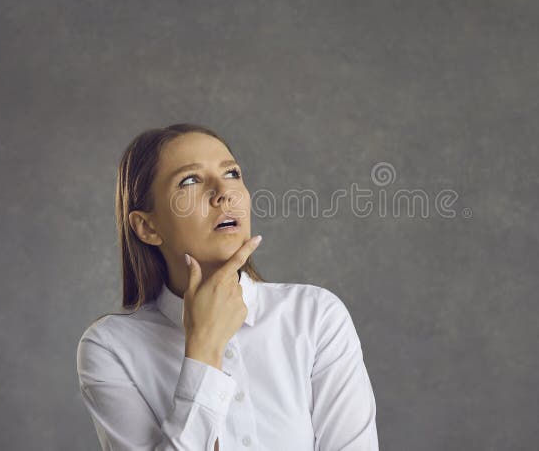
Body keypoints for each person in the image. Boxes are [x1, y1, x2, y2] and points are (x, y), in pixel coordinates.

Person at [76, 123, 379, 450]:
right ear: (147, 226)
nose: (224, 192)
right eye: (190, 180)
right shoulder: (110, 347)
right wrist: (204, 349)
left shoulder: (315, 316)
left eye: (232, 173)